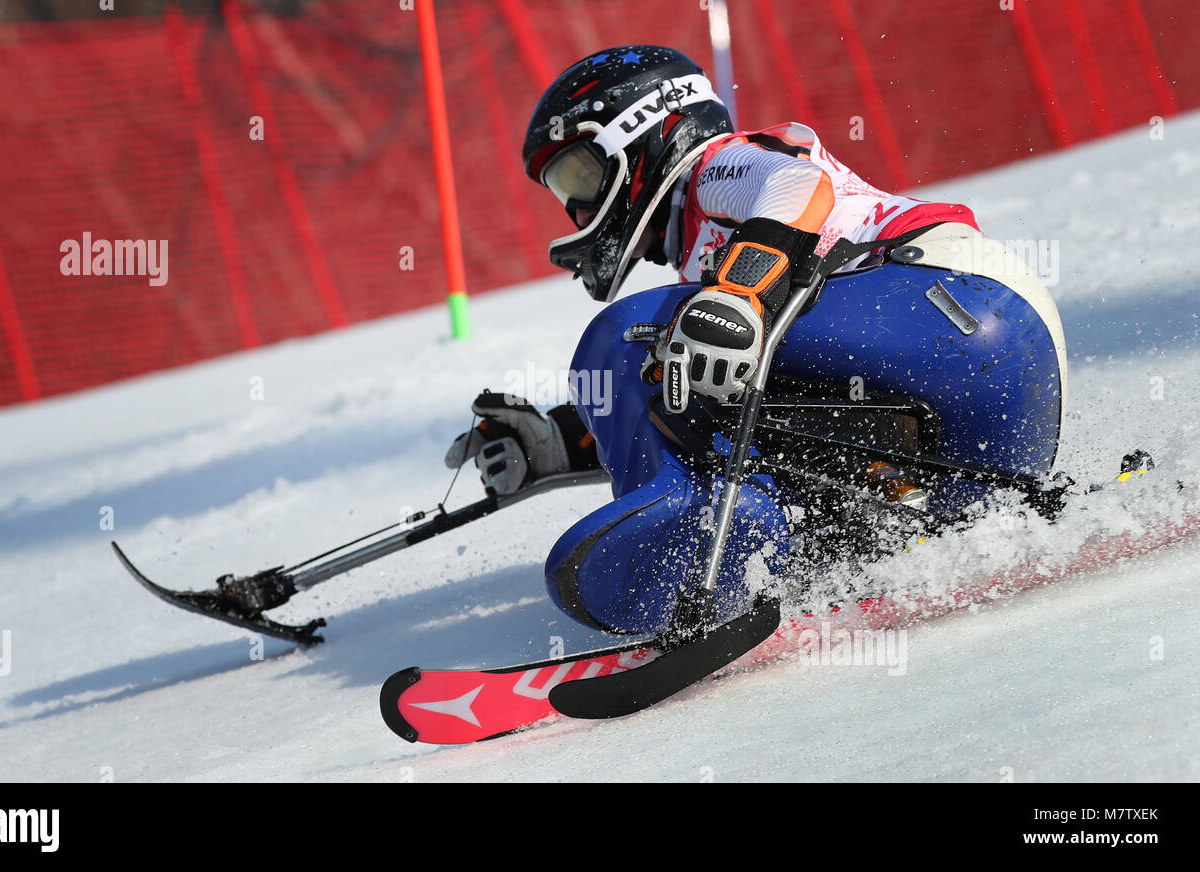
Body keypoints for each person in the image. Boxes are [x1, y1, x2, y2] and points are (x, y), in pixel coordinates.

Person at [446, 45, 1067, 636]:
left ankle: (698, 523)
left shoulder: (712, 168)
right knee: (701, 376)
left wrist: (737, 294)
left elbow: (801, 190)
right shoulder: (704, 245)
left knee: (622, 335)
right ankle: (829, 537)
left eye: (580, 175)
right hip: (995, 380)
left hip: (948, 299)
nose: (579, 212)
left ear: (640, 133)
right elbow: (679, 392)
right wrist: (557, 443)